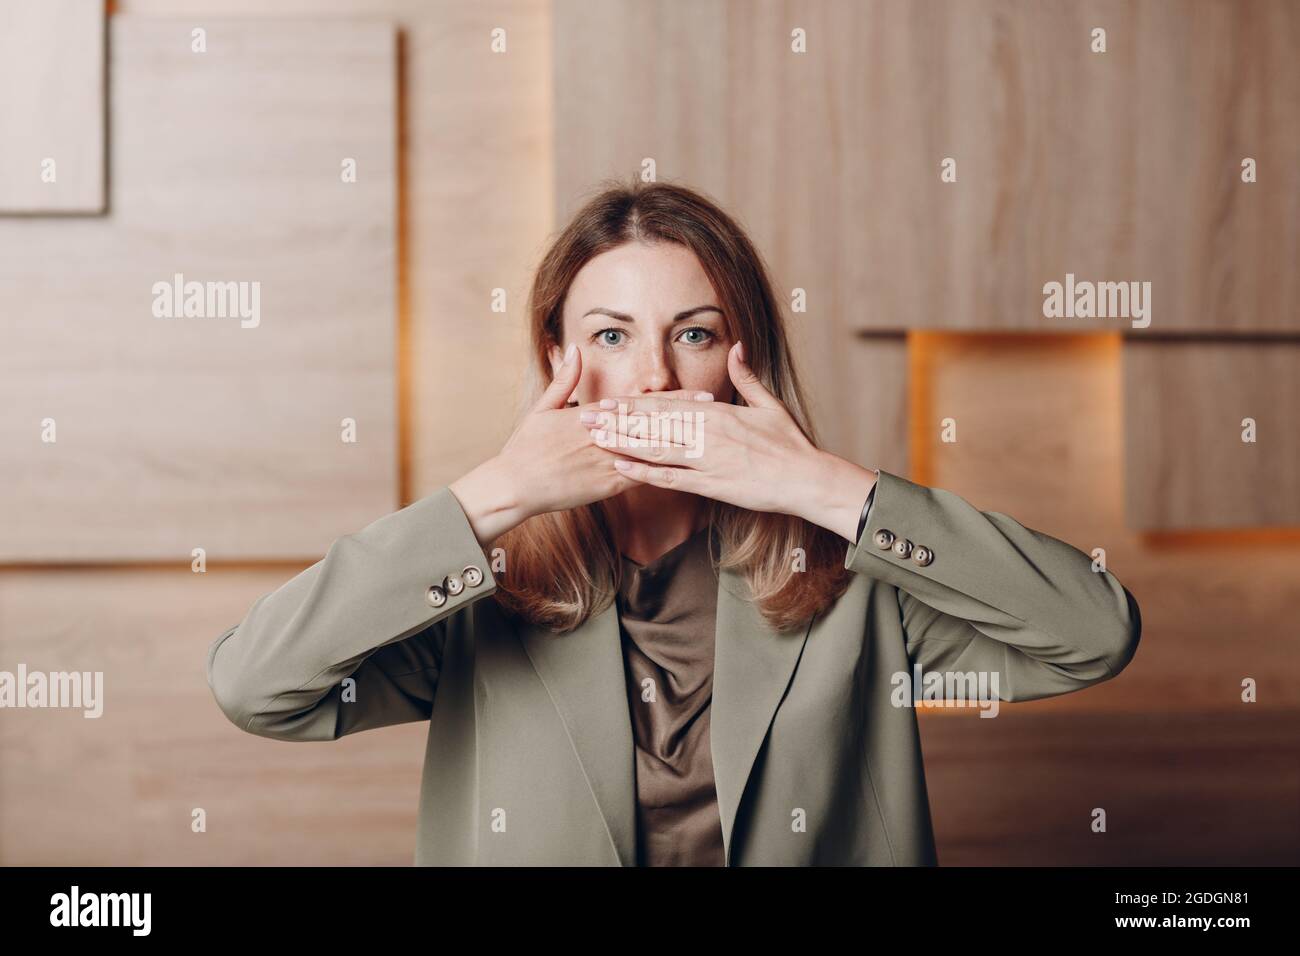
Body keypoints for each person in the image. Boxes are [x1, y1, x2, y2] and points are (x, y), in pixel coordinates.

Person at [206, 178, 1142, 866]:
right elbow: (258, 687)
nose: (653, 377)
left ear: (744, 357)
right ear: (557, 357)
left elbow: (1091, 635)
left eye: (691, 333)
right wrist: (495, 495)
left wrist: (819, 487)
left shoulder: (848, 590)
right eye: (612, 335)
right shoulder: (477, 585)